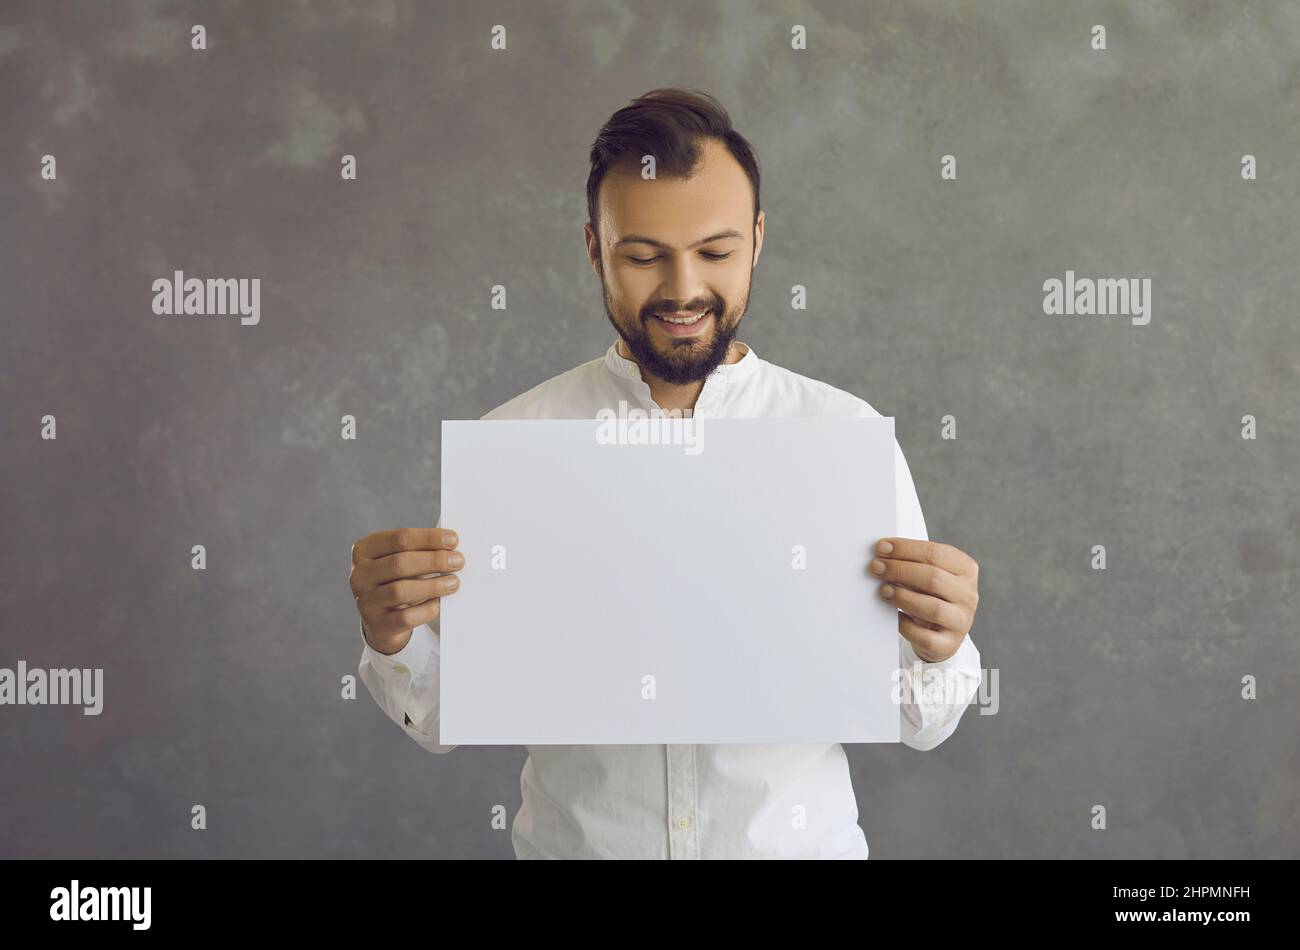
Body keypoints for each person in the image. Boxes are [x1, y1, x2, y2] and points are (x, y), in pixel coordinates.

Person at [348, 88, 984, 859]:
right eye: (644, 256)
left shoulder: (842, 439)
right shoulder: (516, 444)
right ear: (594, 251)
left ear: (757, 241)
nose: (683, 290)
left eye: (714, 252)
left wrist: (942, 649)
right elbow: (451, 716)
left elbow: (924, 722)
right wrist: (392, 638)